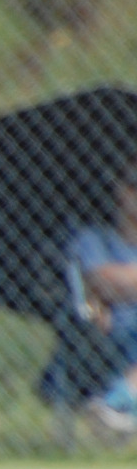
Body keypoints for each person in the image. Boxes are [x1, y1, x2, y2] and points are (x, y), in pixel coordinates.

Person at [69, 162, 137, 444]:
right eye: (134, 186)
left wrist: (123, 282)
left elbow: (117, 283)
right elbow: (100, 281)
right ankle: (120, 405)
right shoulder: (94, 239)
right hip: (115, 328)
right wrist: (113, 286)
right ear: (121, 192)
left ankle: (117, 405)